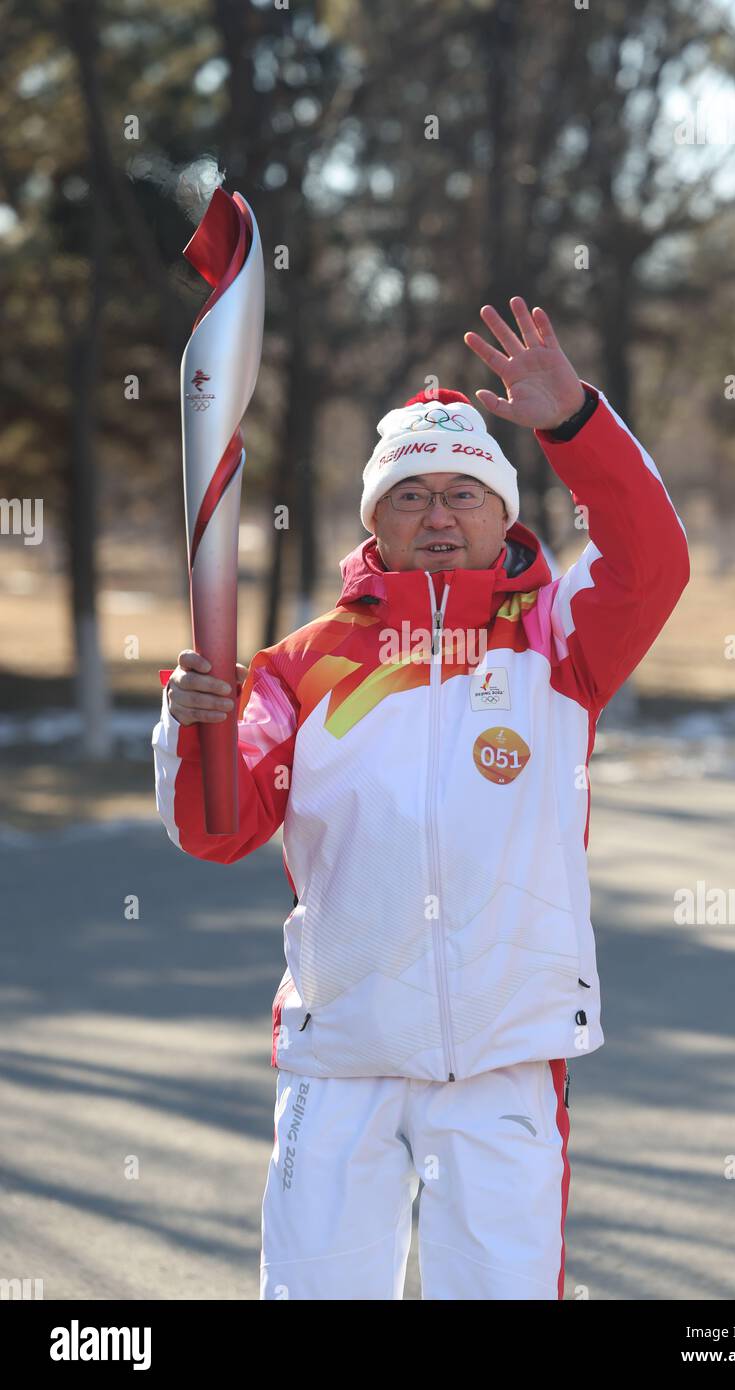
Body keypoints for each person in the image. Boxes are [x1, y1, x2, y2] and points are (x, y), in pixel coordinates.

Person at [152, 298, 689, 1300]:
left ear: (502, 513)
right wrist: (196, 727)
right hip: (343, 1055)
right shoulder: (296, 669)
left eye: (462, 494)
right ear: (374, 520)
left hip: (502, 1063)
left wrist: (572, 422)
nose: (437, 514)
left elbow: (653, 558)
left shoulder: (560, 640)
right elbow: (215, 829)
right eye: (409, 495)